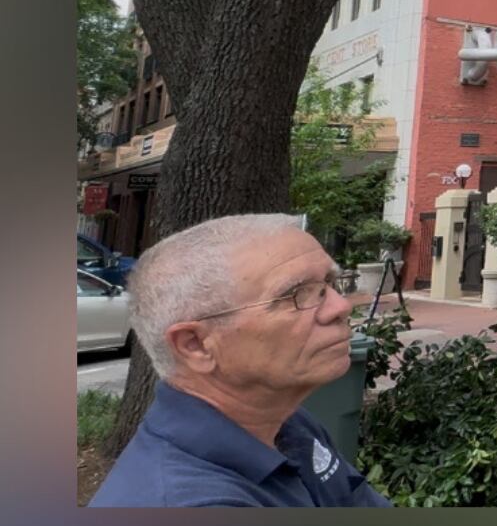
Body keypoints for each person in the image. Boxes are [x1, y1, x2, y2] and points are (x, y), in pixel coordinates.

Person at [91, 214, 391, 507]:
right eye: (297, 294)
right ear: (196, 346)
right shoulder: (192, 503)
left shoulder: (283, 421)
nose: (340, 307)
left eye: (328, 285)